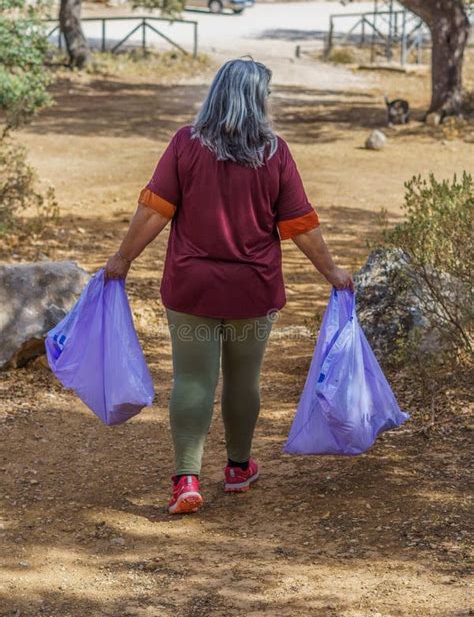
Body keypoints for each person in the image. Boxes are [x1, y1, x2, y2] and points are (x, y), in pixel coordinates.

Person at [105, 58, 353, 515]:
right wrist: (332, 273)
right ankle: (238, 469)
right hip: (251, 291)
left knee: (193, 379)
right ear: (258, 100)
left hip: (191, 288)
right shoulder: (275, 152)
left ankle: (186, 479)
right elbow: (300, 225)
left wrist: (122, 259)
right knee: (243, 379)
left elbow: (155, 210)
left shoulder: (186, 144)